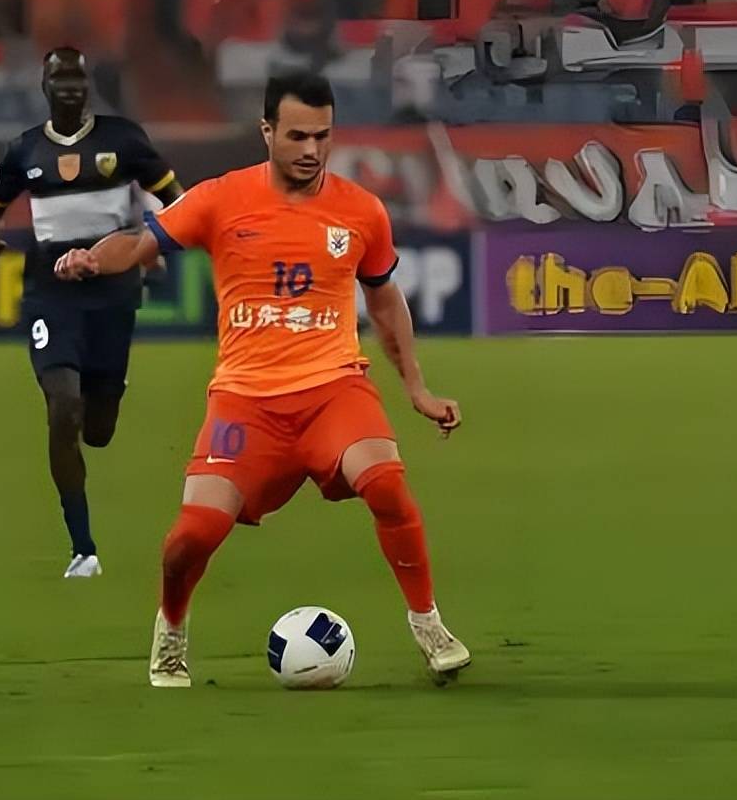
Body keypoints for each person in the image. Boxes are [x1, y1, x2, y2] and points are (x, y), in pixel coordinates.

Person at [56, 70, 471, 687]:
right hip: (245, 402)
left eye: (322, 136)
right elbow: (141, 243)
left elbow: (385, 301)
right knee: (190, 538)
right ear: (267, 131)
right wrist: (94, 259)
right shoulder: (221, 198)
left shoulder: (362, 210)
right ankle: (171, 630)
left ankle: (428, 624)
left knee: (386, 484)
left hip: (333, 388)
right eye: (298, 136)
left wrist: (417, 387)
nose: (311, 150)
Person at [0, 47, 183, 579]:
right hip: (51, 295)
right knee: (63, 406)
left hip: (114, 294)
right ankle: (83, 547)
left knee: (98, 431)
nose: (69, 86)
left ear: (88, 85)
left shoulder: (124, 139)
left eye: (77, 77)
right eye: (58, 78)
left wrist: (152, 244)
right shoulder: (23, 150)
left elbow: (177, 202)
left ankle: (109, 386)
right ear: (44, 87)